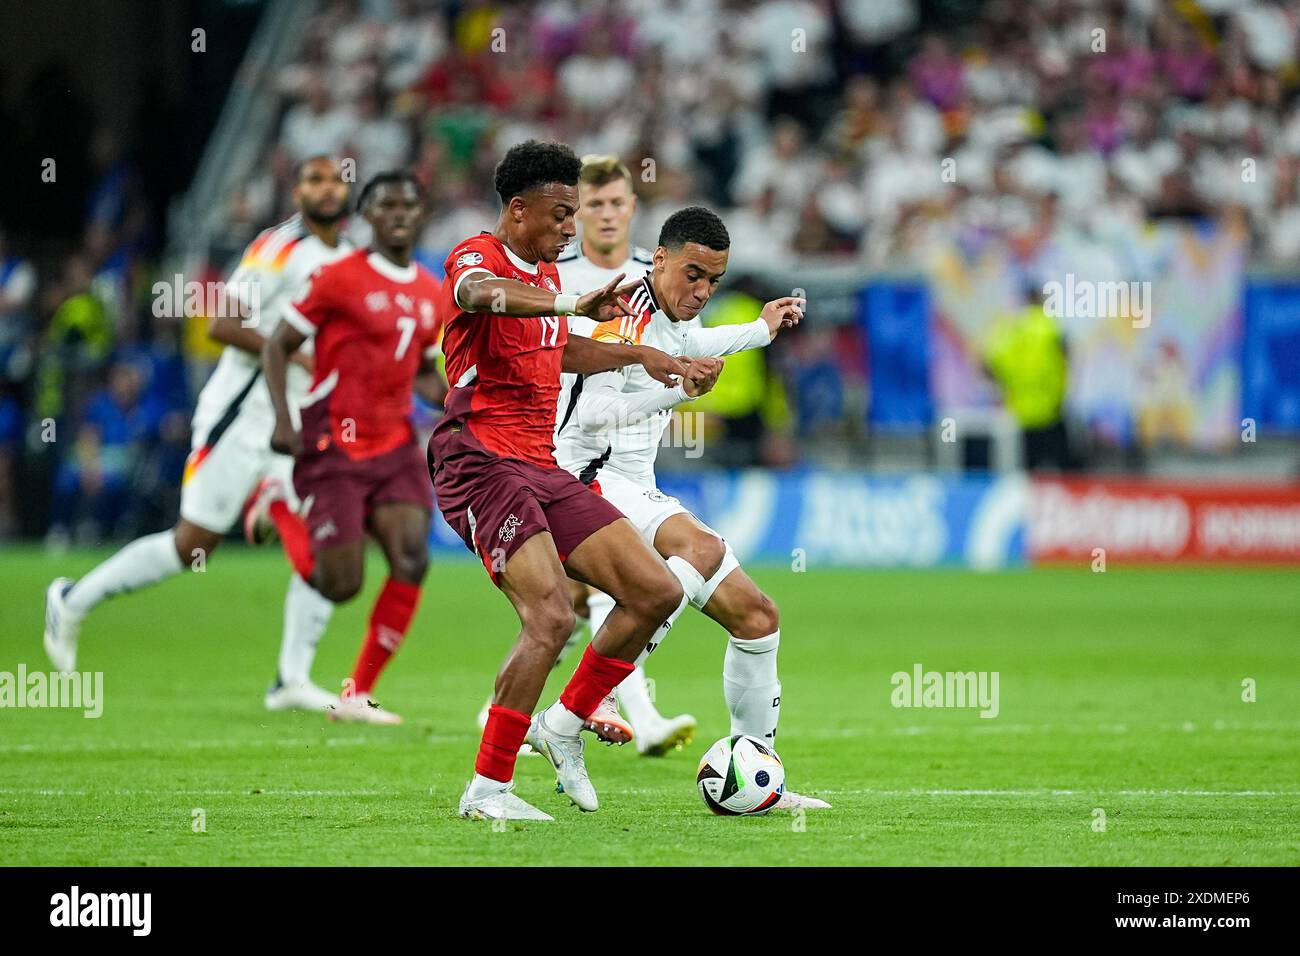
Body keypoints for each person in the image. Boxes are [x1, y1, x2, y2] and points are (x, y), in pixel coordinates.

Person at [432, 140, 698, 821]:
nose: (568, 228)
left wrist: (636, 352)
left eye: (573, 214)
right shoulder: (480, 258)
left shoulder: (548, 284)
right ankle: (487, 789)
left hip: (540, 465)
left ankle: (562, 725)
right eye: (557, 215)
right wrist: (572, 303)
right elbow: (478, 296)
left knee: (655, 590)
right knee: (549, 617)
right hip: (480, 463)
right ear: (516, 210)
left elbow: (557, 349)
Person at [44, 157, 352, 715]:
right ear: (297, 190)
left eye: (336, 180)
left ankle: (291, 678)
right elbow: (222, 324)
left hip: (300, 421)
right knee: (194, 546)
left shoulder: (349, 258)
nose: (327, 189)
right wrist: (294, 351)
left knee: (326, 533)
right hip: (241, 417)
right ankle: (72, 598)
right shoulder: (276, 248)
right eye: (315, 180)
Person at [554, 205, 829, 811]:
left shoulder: (666, 314)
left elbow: (688, 342)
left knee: (757, 617)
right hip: (584, 475)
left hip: (631, 482)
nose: (702, 292)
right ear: (658, 258)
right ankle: (584, 704)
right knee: (696, 554)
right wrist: (677, 387)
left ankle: (760, 776)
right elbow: (591, 415)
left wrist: (759, 330)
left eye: (714, 281)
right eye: (694, 274)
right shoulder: (620, 313)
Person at [256, 171, 445, 724]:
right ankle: (277, 507)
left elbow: (424, 373)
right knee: (341, 585)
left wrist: (460, 400)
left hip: (394, 444)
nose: (400, 213)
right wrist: (283, 419)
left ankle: (356, 693)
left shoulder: (430, 291)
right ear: (367, 215)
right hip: (331, 439)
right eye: (387, 205)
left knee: (412, 559)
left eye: (410, 205)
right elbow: (277, 344)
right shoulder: (337, 278)